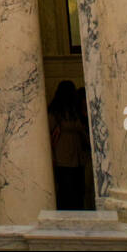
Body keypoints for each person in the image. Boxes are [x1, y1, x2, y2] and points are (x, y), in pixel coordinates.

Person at [48, 80, 88, 209]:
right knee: (67, 191)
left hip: (77, 158)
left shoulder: (75, 111)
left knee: (78, 190)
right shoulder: (54, 113)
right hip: (63, 158)